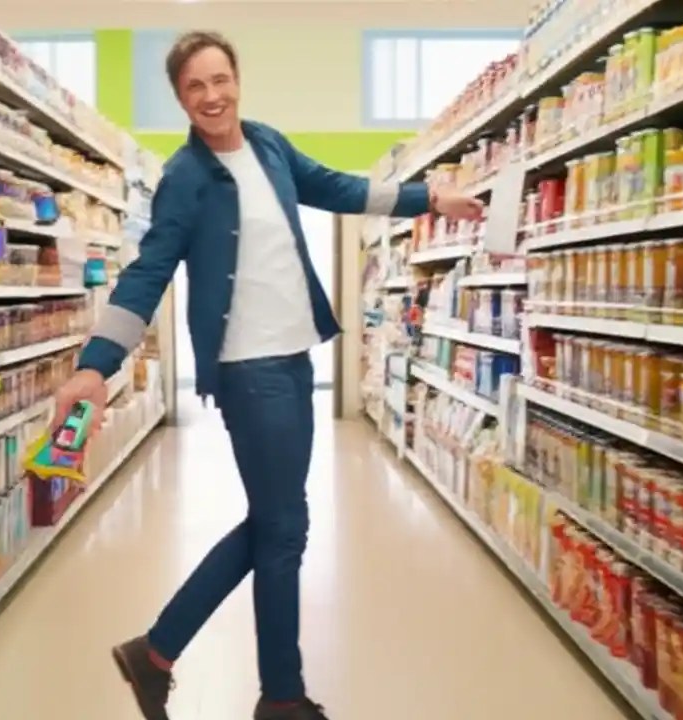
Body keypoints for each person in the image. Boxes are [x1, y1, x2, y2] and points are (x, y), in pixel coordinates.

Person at [51, 30, 485, 720]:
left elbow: (341, 187)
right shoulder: (185, 179)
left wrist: (430, 196)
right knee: (284, 529)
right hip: (247, 368)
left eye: (220, 79)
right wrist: (95, 366)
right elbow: (148, 273)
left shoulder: (271, 145)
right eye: (196, 86)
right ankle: (279, 696)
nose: (212, 95)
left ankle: (156, 653)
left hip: (293, 355)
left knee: (276, 523)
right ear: (181, 99)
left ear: (237, 79)